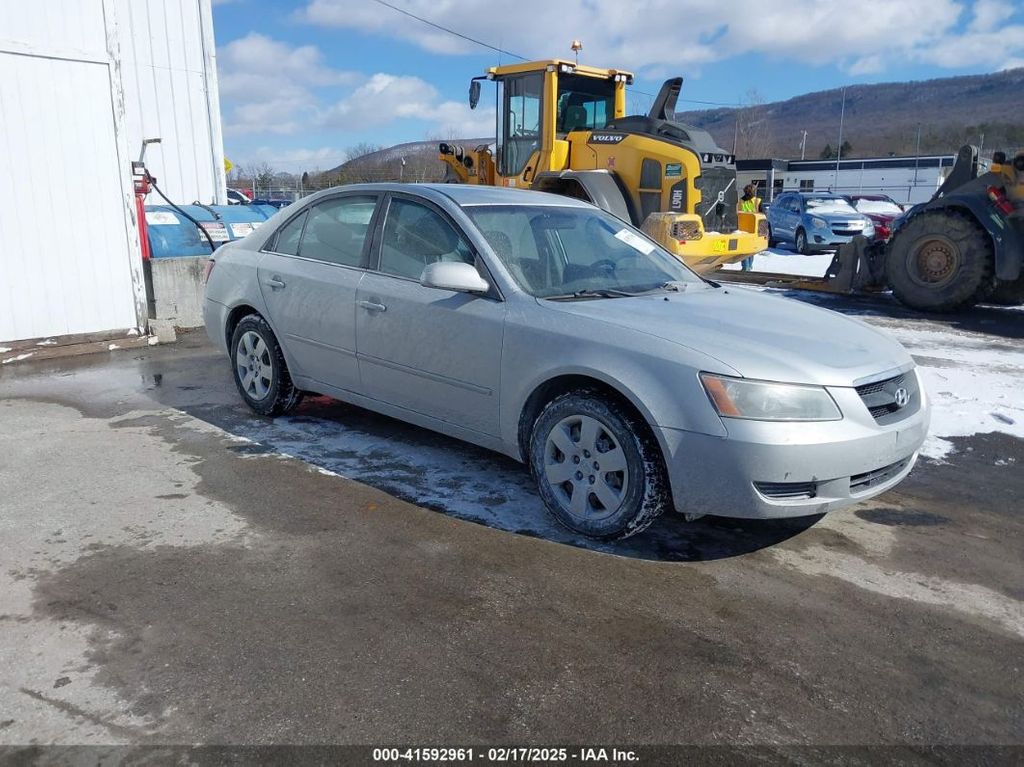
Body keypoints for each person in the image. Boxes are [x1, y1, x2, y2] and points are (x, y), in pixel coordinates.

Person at [738, 184, 762, 271]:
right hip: (754, 228)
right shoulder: (757, 201)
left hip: (743, 228)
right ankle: (748, 267)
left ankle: (745, 268)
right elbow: (762, 215)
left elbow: (737, 213)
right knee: (751, 250)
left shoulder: (741, 201)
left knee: (744, 250)